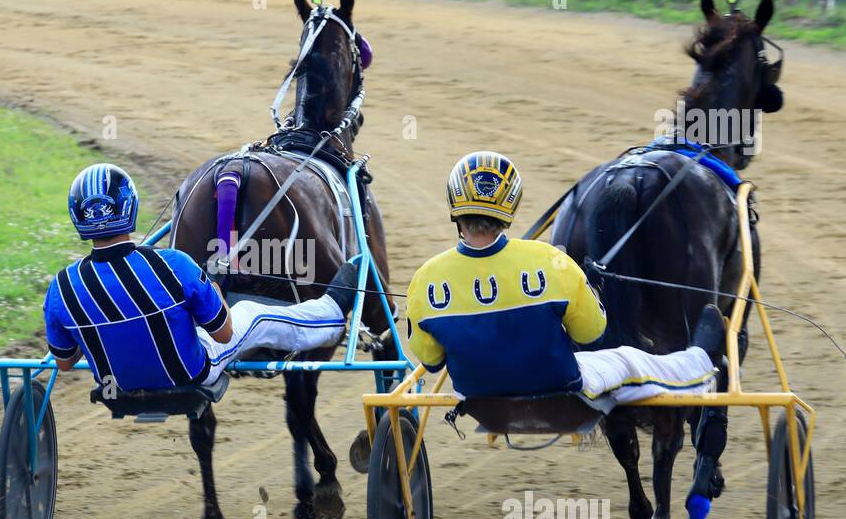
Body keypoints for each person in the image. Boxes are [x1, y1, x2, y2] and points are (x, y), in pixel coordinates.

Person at [405, 153, 723, 407]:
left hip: (475, 396)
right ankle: (699, 362)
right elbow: (592, 335)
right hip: (560, 386)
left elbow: (432, 361)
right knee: (631, 360)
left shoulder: (424, 279)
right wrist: (592, 290)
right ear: (509, 205)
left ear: (454, 205)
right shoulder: (552, 261)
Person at [44, 163, 360, 391]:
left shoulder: (60, 288)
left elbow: (66, 361)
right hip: (191, 373)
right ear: (131, 207)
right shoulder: (175, 265)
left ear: (77, 217)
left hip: (117, 385)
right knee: (252, 314)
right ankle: (330, 316)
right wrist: (216, 290)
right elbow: (224, 334)